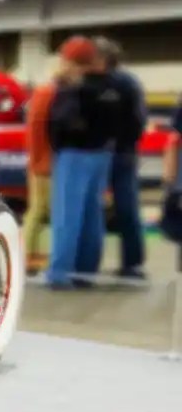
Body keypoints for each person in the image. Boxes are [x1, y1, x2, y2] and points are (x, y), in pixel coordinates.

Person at [46, 37, 136, 288]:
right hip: (102, 154)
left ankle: (60, 273)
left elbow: (63, 124)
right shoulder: (114, 87)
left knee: (67, 216)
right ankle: (87, 272)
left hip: (74, 154)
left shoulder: (73, 88)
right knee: (91, 216)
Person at [95, 37, 149, 279]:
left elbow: (137, 120)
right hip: (104, 150)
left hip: (121, 153)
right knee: (94, 208)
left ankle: (132, 262)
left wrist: (120, 143)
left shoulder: (125, 83)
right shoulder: (98, 81)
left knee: (126, 207)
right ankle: (96, 261)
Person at [22, 62, 60, 273]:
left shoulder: (41, 94)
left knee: (37, 209)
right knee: (39, 210)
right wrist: (42, 162)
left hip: (40, 161)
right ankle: (27, 254)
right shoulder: (49, 94)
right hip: (44, 163)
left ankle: (29, 253)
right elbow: (40, 132)